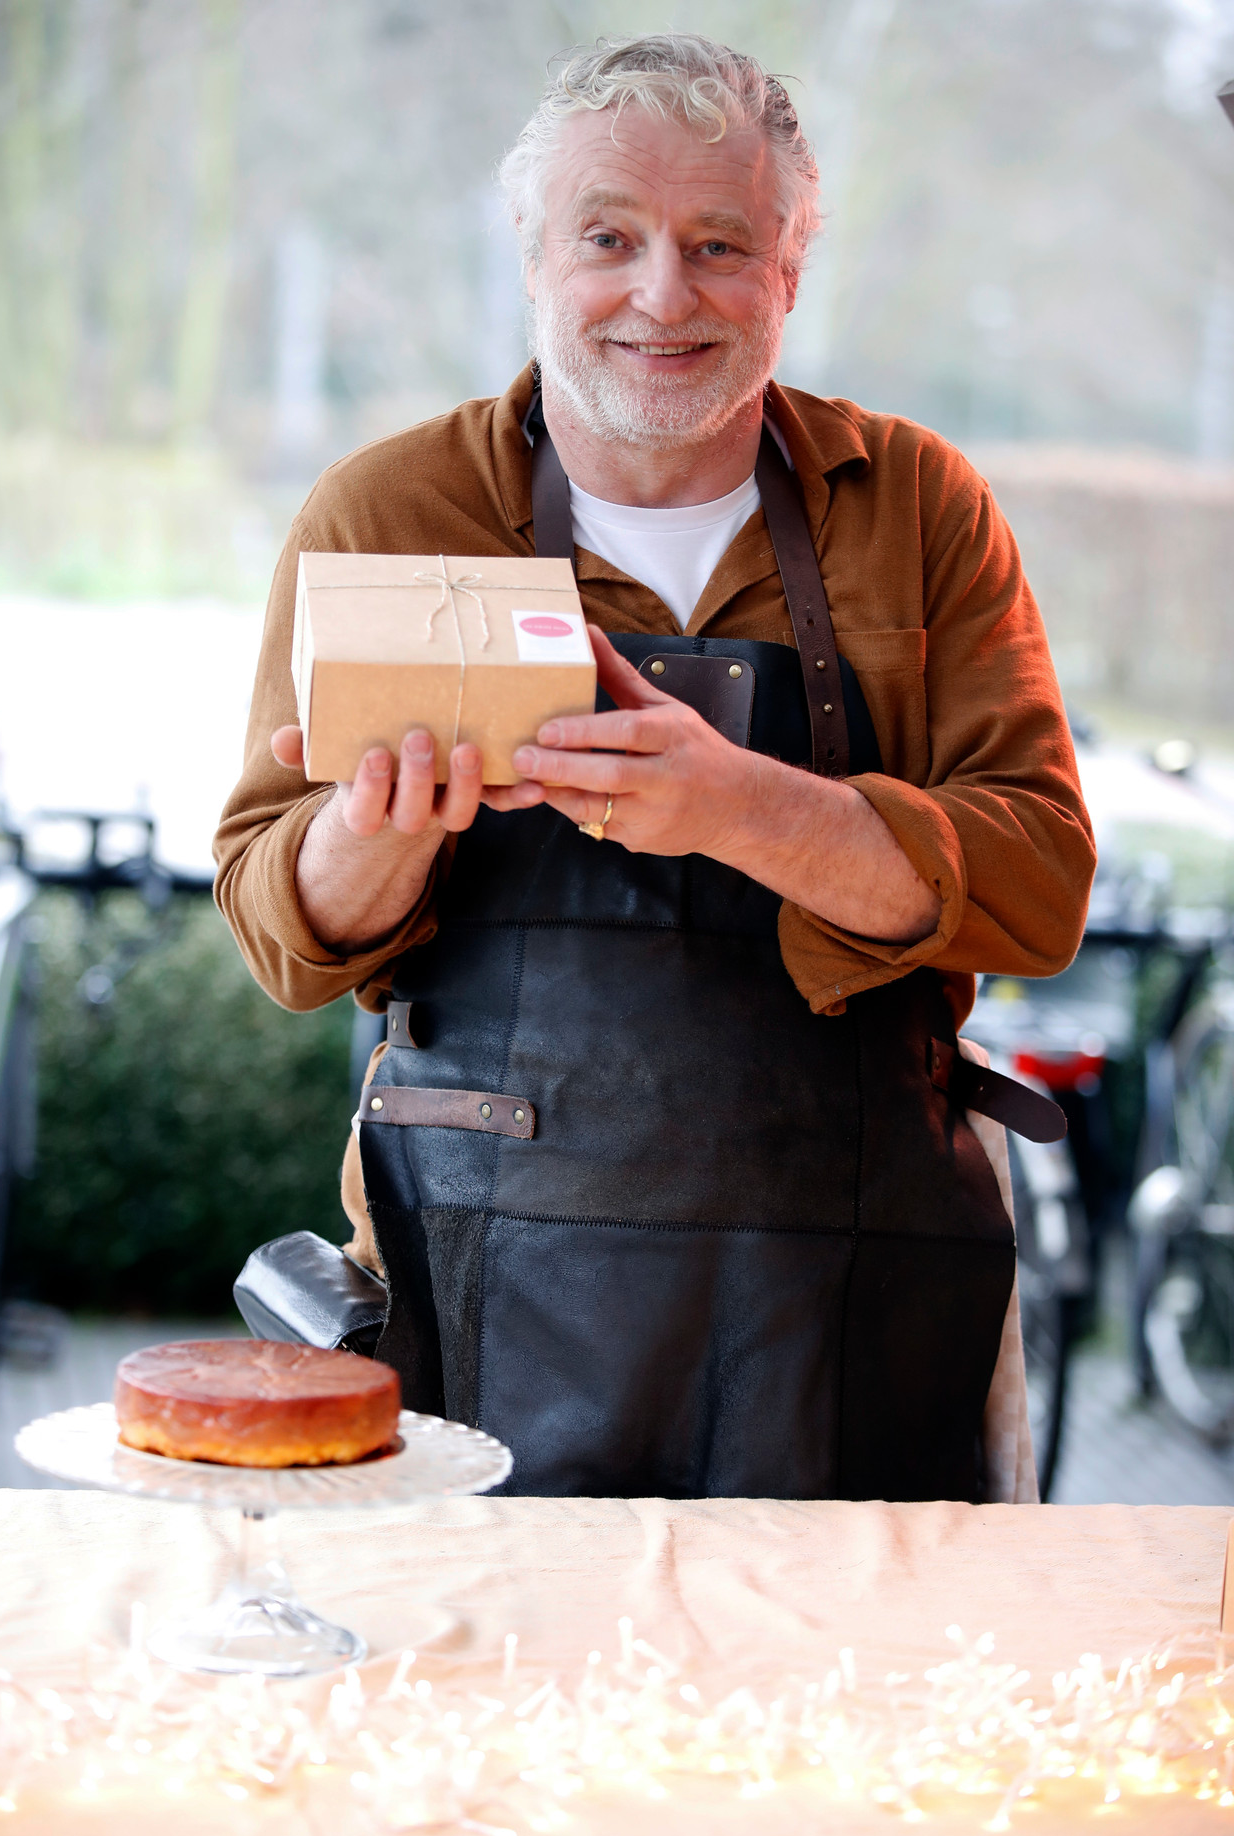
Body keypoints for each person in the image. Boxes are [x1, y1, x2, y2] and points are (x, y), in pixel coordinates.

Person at [215, 34, 1094, 1502]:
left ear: (792, 269)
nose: (662, 294)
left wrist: (744, 806)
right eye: (609, 238)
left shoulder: (923, 508)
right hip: (482, 1280)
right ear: (533, 254)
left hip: (864, 1301)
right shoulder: (388, 510)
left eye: (720, 245)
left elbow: (1040, 885)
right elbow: (271, 921)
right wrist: (375, 839)